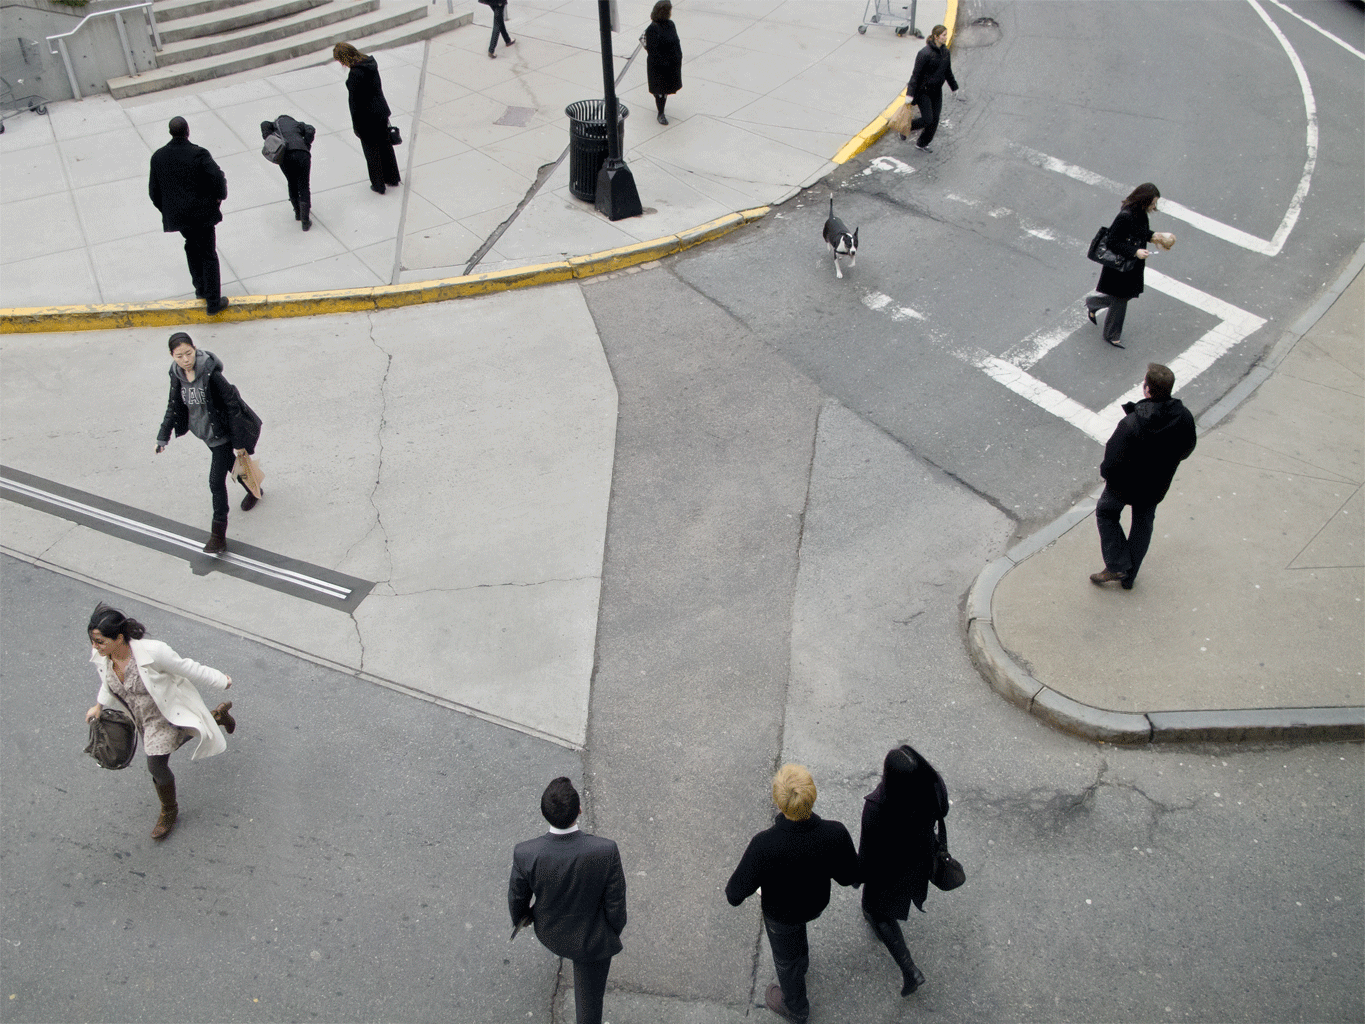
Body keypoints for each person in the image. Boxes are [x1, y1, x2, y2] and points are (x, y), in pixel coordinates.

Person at [84, 603, 236, 841]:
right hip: (140, 717)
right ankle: (216, 717)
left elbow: (188, 668)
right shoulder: (104, 656)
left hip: (165, 712)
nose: (95, 646)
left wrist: (221, 680)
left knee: (156, 764)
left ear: (119, 638)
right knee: (171, 741)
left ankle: (169, 811)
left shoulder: (153, 652)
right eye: (93, 641)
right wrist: (99, 705)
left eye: (100, 641)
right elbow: (108, 681)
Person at [725, 764, 860, 1024]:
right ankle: (803, 962)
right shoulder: (835, 833)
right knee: (798, 932)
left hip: (781, 915)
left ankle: (796, 1008)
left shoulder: (764, 845)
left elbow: (734, 894)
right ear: (812, 796)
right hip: (815, 903)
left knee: (786, 961)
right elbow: (848, 877)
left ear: (780, 803)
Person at [509, 777, 626, 1024]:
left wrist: (521, 918)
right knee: (589, 1006)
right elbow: (616, 905)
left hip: (550, 932)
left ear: (544, 814)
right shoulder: (605, 851)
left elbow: (518, 897)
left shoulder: (526, 853)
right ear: (579, 810)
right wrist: (610, 933)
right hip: (593, 938)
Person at [1090, 362, 1197, 589]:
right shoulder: (1184, 417)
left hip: (1123, 485)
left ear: (1147, 389)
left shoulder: (1131, 423)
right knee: (1143, 524)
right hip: (1156, 485)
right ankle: (1129, 578)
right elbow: (1187, 449)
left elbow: (1112, 459)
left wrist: (1107, 475)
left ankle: (1117, 564)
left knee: (1106, 513)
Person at [155, 332, 263, 555]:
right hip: (204, 433)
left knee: (216, 483)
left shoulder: (210, 373)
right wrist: (163, 436)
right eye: (179, 356)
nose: (186, 360)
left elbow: (232, 403)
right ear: (172, 356)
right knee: (230, 464)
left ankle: (218, 536)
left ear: (195, 349)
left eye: (189, 353)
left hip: (221, 434)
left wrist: (238, 441)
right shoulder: (176, 374)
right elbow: (173, 404)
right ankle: (254, 489)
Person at [858, 745, 951, 998]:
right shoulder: (931, 785)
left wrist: (857, 875)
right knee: (883, 907)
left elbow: (867, 853)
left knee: (877, 910)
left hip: (889, 869)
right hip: (919, 858)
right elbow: (943, 810)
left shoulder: (877, 807)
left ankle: (910, 970)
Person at [148, 116, 230, 315]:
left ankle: (200, 289)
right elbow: (217, 178)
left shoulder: (158, 157)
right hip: (202, 215)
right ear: (187, 131)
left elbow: (154, 192)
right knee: (208, 254)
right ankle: (213, 302)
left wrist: (167, 210)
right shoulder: (199, 153)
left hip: (180, 218)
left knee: (191, 247)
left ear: (170, 132)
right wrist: (219, 198)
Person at [1085, 183, 1177, 347]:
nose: (1154, 206)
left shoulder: (1140, 213)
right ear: (1144, 200)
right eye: (1153, 202)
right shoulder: (1125, 216)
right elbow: (1112, 241)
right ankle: (1111, 334)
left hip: (1131, 265)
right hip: (1121, 266)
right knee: (1121, 299)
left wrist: (1155, 236)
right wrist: (1135, 251)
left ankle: (1094, 303)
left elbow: (1139, 233)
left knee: (1122, 297)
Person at [334, 42, 401, 194]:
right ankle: (392, 178)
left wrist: (356, 126)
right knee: (385, 146)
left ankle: (378, 185)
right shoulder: (370, 64)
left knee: (371, 152)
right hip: (381, 111)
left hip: (367, 118)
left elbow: (355, 104)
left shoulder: (355, 74)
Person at [905, 25, 961, 153]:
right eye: (944, 35)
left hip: (936, 91)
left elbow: (948, 71)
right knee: (927, 119)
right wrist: (910, 94)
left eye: (946, 34)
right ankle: (906, 127)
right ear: (936, 37)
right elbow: (916, 75)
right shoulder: (924, 53)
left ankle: (922, 143)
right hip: (923, 91)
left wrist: (954, 87)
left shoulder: (946, 53)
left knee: (935, 120)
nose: (946, 37)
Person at [260, 114, 316, 230]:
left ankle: (298, 213)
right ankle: (305, 222)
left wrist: (269, 138)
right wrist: (306, 145)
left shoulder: (274, 125)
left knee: (291, 182)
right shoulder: (298, 125)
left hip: (285, 155)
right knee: (304, 186)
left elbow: (264, 124)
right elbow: (310, 129)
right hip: (302, 154)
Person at [643, 1, 682, 125]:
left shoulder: (670, 24)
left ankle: (660, 105)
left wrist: (678, 57)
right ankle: (661, 113)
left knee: (664, 90)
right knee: (660, 91)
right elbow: (653, 51)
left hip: (670, 63)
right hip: (659, 66)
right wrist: (663, 63)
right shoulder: (652, 29)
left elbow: (676, 41)